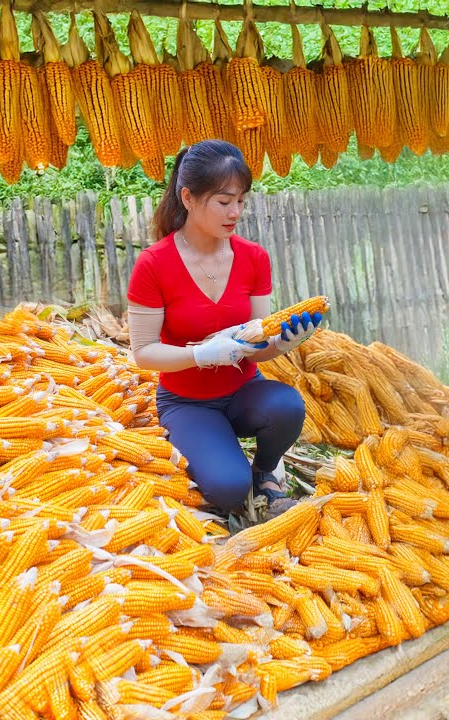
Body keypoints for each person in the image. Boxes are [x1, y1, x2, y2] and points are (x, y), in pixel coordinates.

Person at [126, 140, 322, 518]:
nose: (236, 212)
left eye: (242, 201)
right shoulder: (153, 264)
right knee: (229, 489)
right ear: (188, 197)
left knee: (287, 406)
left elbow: (258, 345)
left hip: (242, 391)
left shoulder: (254, 258)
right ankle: (214, 448)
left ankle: (265, 471)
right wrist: (200, 354)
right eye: (224, 201)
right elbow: (144, 352)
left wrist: (283, 343)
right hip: (187, 402)